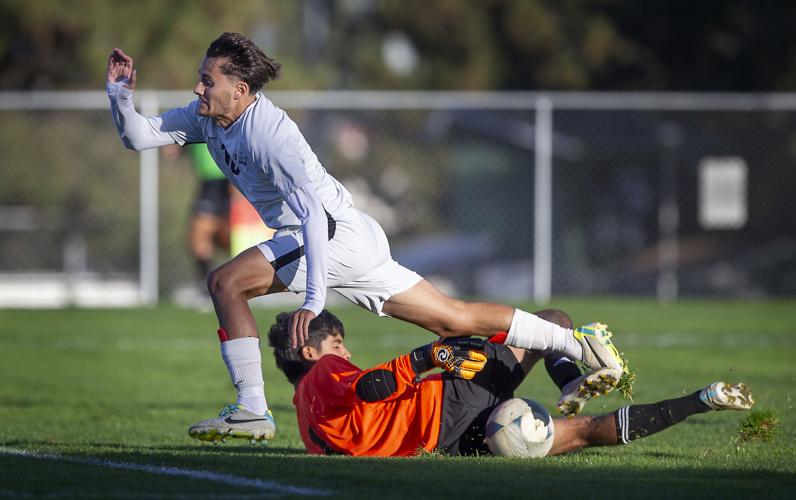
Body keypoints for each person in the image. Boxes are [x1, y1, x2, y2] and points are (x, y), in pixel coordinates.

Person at [105, 32, 625, 443]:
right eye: (200, 79)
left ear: (239, 91)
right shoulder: (209, 119)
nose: (199, 88)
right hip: (351, 238)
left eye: (207, 81)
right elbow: (138, 136)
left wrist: (312, 298)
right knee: (454, 317)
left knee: (225, 283)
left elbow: (310, 215)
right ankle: (577, 344)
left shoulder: (270, 132)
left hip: (330, 236)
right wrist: (118, 95)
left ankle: (250, 409)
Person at [266, 309, 753, 457]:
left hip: (448, 444)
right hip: (450, 400)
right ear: (311, 352)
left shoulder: (307, 419)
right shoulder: (323, 374)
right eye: (338, 345)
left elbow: (363, 426)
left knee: (582, 434)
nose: (345, 354)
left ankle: (699, 401)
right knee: (552, 321)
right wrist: (429, 354)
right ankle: (569, 377)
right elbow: (372, 387)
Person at [186, 143, 231, 291]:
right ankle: (206, 287)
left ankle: (250, 281)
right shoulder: (193, 121)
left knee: (237, 234)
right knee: (198, 235)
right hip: (209, 182)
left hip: (236, 179)